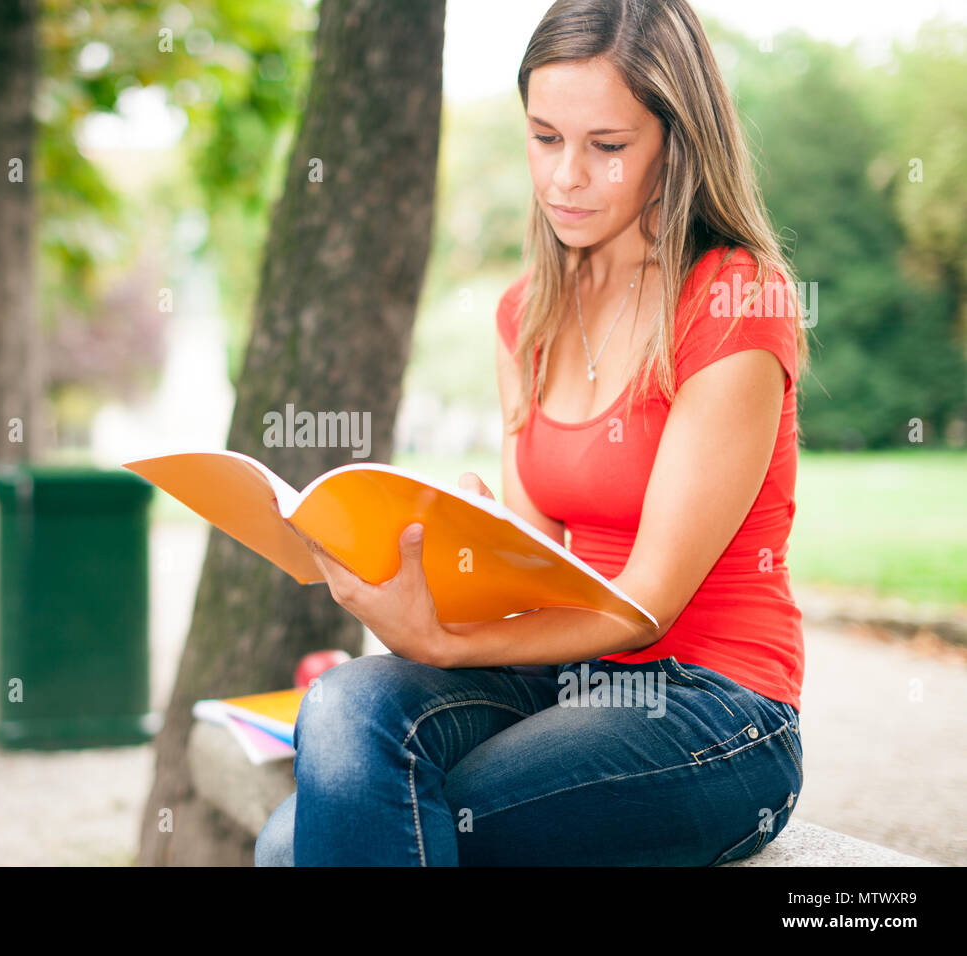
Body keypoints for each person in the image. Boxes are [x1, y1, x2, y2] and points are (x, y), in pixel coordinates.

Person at [256, 0, 811, 866]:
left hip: (716, 709)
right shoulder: (528, 316)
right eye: (545, 137)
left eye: (607, 146)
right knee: (341, 709)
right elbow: (545, 577)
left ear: (676, 142)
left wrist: (440, 641)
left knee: (303, 845)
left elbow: (644, 604)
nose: (565, 178)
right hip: (567, 681)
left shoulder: (736, 299)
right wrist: (458, 552)